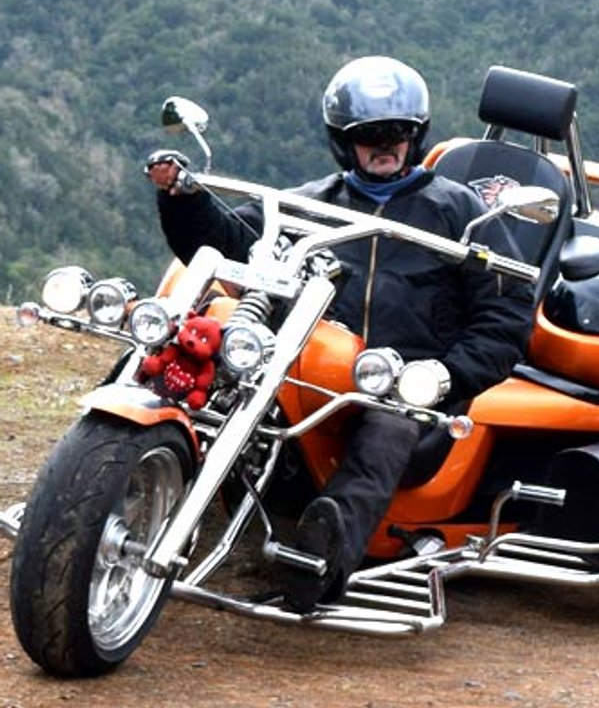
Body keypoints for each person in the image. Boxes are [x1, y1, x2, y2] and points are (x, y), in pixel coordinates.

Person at [147, 56, 534, 613]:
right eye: (369, 136)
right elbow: (236, 247)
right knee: (193, 362)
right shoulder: (312, 202)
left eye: (398, 134)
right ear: (341, 142)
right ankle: (114, 480)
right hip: (308, 379)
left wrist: (444, 374)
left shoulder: (460, 212)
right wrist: (184, 199)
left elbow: (505, 316)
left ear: (416, 135)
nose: (386, 146)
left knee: (388, 429)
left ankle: (323, 557)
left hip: (407, 393)